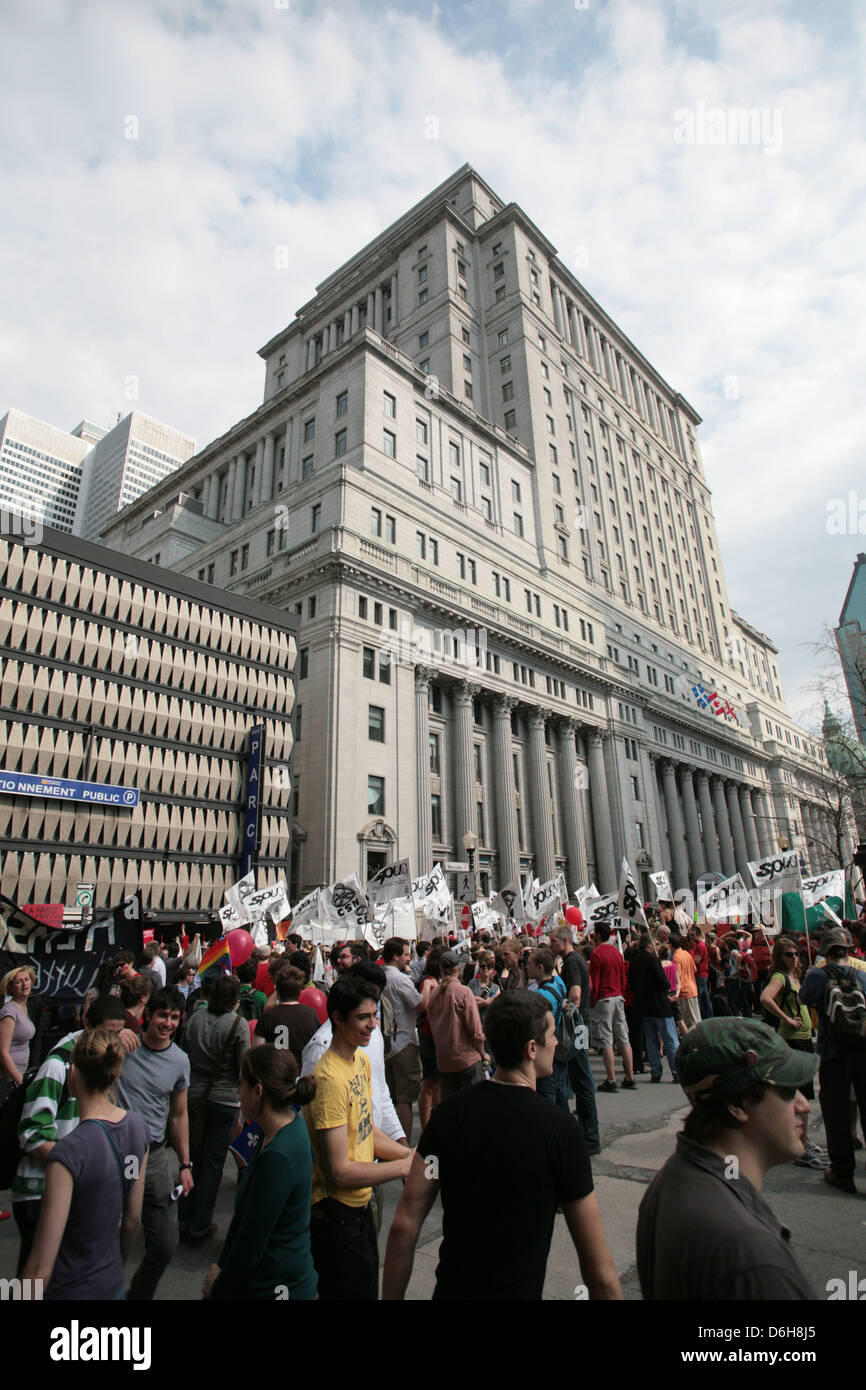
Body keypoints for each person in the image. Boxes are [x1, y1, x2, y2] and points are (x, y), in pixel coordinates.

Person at [382, 990, 623, 1301]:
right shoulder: (560, 1131)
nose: (557, 1043)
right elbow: (598, 1270)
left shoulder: (448, 1117)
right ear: (532, 1048)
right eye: (551, 1034)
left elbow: (405, 1224)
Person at [636, 1018, 818, 1299]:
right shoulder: (753, 1259)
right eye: (786, 1091)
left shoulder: (674, 1179)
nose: (804, 1106)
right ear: (737, 1105)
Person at [306, 975, 414, 1300]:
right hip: (337, 1218)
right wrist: (404, 1168)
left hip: (361, 1209)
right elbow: (339, 1171)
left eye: (374, 1015)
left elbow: (367, 1130)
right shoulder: (328, 1079)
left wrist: (407, 1154)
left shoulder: (361, 1060)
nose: (373, 1025)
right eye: (363, 1018)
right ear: (337, 1019)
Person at [22, 1028, 149, 1300]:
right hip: (111, 1282)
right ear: (114, 1073)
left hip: (69, 1288)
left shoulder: (68, 1152)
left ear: (73, 1073)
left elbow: (40, 1269)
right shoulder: (138, 1128)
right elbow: (132, 1219)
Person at [11, 994, 134, 1275]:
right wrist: (78, 1166)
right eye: (107, 1033)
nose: (113, 1042)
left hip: (67, 1189)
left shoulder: (99, 1060)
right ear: (87, 1026)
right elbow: (32, 1133)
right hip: (37, 1192)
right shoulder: (58, 1065)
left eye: (118, 1033)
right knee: (36, 1272)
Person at [202, 1045, 318, 1301]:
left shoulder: (278, 1155)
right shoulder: (283, 1127)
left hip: (274, 1283)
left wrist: (218, 1288)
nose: (238, 1091)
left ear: (258, 1091)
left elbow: (251, 1241)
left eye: (241, 1084)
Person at [117, 986, 193, 1299]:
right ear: (148, 1016)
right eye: (163, 1015)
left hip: (157, 1156)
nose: (168, 1023)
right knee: (111, 1233)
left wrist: (186, 1164)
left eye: (174, 1017)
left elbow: (178, 1115)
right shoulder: (123, 1046)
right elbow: (84, 1047)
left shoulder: (180, 1061)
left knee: (164, 1244)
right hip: (117, 1154)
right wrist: (114, 1032)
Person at [179, 973, 248, 1247]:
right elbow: (242, 1067)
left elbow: (184, 1052)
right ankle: (200, 1224)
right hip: (225, 1099)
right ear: (234, 999)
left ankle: (184, 1218)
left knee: (191, 1159)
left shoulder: (195, 1018)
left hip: (194, 1097)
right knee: (212, 1164)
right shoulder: (238, 1025)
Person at [800, 927, 866, 1194]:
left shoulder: (817, 975)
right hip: (862, 1049)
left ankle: (842, 1171)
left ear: (825, 952)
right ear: (848, 950)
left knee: (835, 1111)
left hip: (832, 1052)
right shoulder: (861, 974)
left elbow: (804, 999)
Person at [549, 924, 600, 1154]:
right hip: (581, 1024)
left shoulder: (571, 962)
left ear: (565, 941)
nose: (551, 945)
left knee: (580, 1079)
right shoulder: (575, 960)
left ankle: (589, 1137)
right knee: (577, 1077)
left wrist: (566, 1011)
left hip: (577, 1026)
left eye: (553, 941)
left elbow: (576, 993)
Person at [426, 951, 487, 1099]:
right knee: (474, 1109)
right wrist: (484, 1054)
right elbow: (475, 1030)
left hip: (445, 1061)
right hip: (467, 1060)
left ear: (440, 969)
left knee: (453, 1110)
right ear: (458, 968)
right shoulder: (463, 992)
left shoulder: (434, 994)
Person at [382, 937, 423, 1143]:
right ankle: (404, 1144)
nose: (409, 958)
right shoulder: (399, 979)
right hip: (403, 1041)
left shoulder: (379, 977)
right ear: (396, 956)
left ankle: (392, 1142)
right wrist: (430, 989)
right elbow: (419, 1004)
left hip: (386, 1043)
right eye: (406, 954)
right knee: (405, 1100)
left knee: (391, 1098)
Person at [589, 925, 636, 1092]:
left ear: (599, 936)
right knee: (623, 1036)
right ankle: (629, 1076)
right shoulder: (617, 953)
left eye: (594, 934)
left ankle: (611, 1079)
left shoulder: (596, 954)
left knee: (606, 1039)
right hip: (618, 997)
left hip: (604, 998)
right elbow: (623, 977)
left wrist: (592, 1001)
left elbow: (594, 982)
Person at [628, 935, 679, 1083]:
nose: (657, 947)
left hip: (644, 1004)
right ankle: (676, 1071)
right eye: (655, 944)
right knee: (670, 1039)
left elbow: (632, 982)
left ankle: (656, 1071)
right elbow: (663, 982)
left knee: (651, 1041)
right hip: (660, 1004)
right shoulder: (653, 960)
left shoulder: (635, 961)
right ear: (649, 946)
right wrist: (667, 986)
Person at [253, 965, 320, 1065]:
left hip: (275, 1074)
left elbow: (257, 1052)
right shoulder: (311, 1014)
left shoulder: (267, 1017)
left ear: (278, 990)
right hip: (302, 1074)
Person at [0, 966, 36, 1106]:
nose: (24, 984)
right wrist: (21, 1082)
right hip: (7, 1080)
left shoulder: (24, 1008)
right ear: (10, 987)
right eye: (18, 982)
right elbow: (3, 1053)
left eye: (27, 980)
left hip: (18, 1075)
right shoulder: (9, 1012)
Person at [671, 932, 700, 1033]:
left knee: (690, 1022)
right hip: (693, 989)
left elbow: (676, 975)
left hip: (684, 991)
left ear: (670, 945)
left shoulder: (676, 957)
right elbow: (695, 969)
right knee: (695, 1019)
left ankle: (695, 1045)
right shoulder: (686, 953)